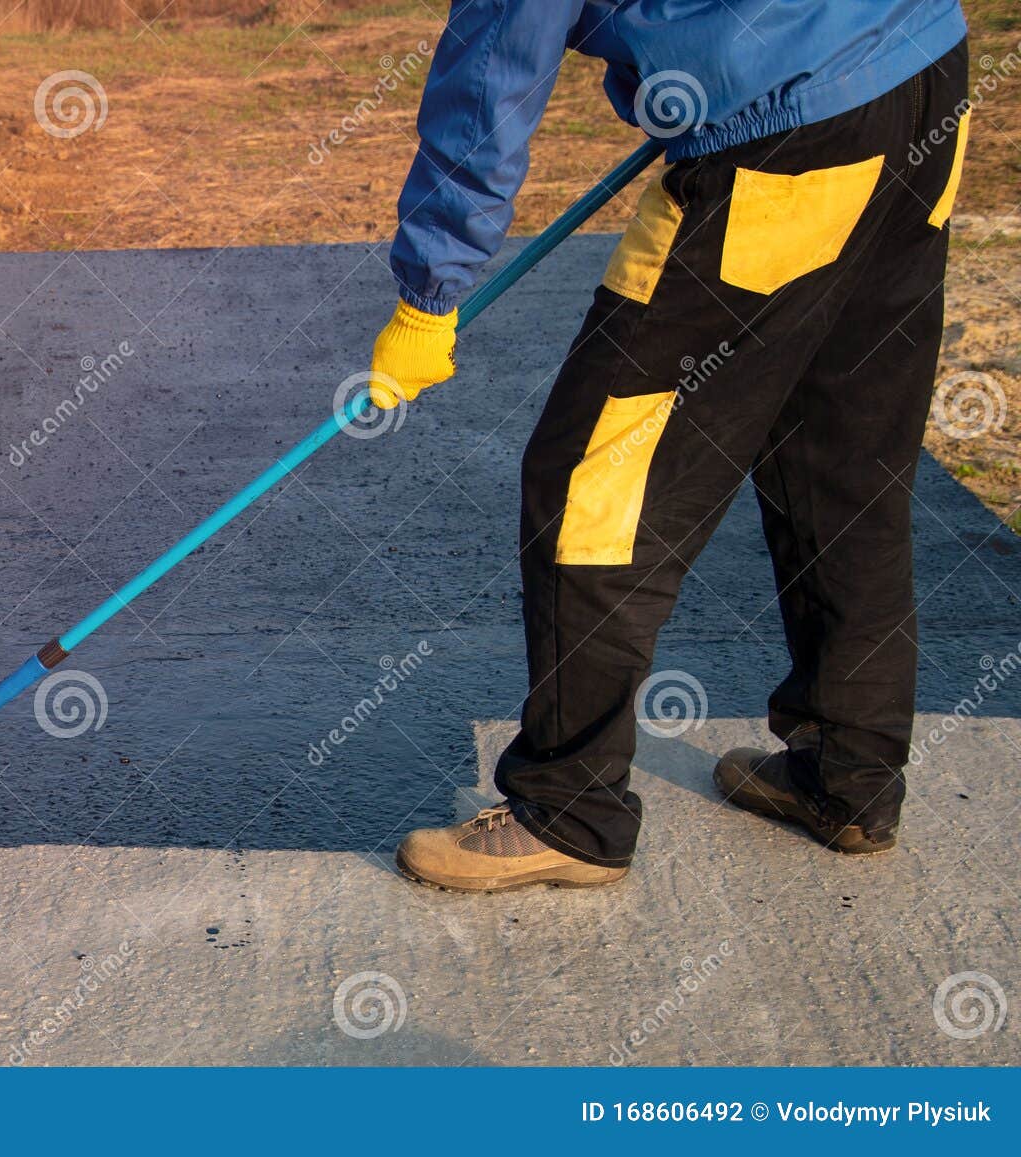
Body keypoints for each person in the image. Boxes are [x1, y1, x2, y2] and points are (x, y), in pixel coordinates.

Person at [372, 0, 971, 893]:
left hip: (791, 134)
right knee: (846, 457)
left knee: (594, 481)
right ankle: (851, 777)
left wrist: (429, 291)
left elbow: (498, 62)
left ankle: (570, 808)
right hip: (924, 72)